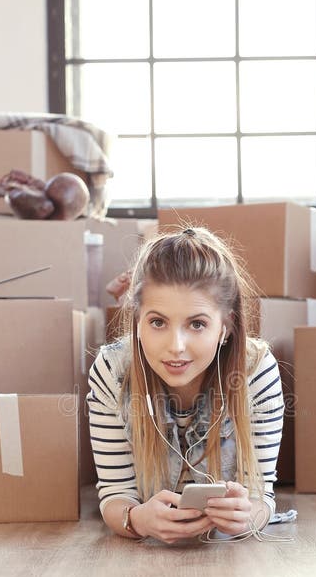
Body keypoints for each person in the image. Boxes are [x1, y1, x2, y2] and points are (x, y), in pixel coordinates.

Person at [86, 226, 284, 544]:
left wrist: (245, 518)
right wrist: (137, 520)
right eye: (158, 322)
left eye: (197, 324)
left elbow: (262, 498)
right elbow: (115, 495)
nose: (176, 346)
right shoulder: (112, 372)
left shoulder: (255, 371)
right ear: (137, 321)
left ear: (225, 327)